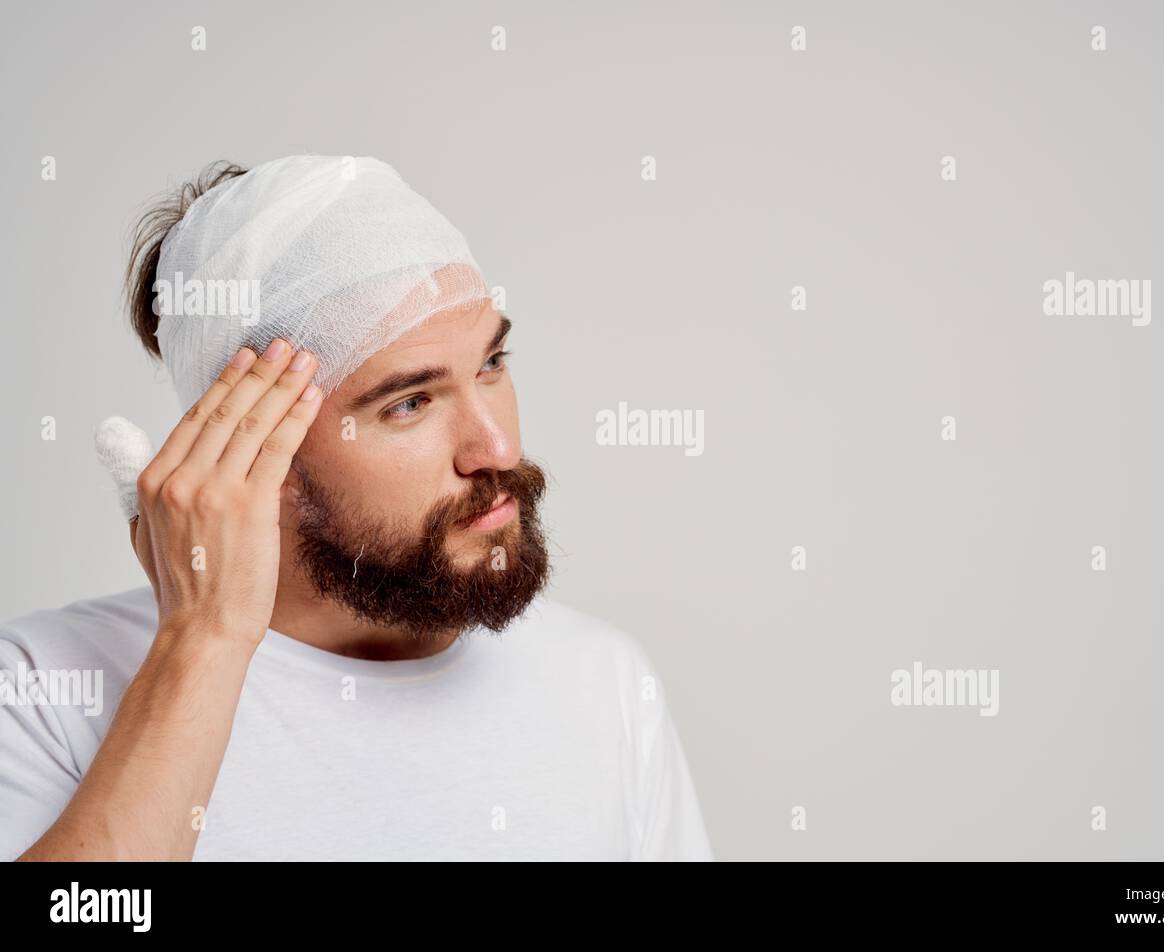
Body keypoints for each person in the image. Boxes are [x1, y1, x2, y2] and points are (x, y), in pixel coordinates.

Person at [0, 155, 712, 861]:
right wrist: (202, 642)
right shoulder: (42, 690)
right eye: (410, 402)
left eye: (491, 365)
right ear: (254, 446)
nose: (494, 449)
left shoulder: (604, 681)